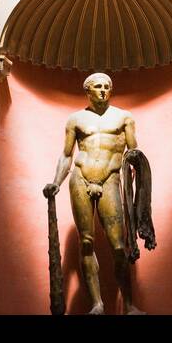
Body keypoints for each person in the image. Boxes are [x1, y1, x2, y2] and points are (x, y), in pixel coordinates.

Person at [43, 73, 144, 314]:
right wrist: (56, 181)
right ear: (87, 91)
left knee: (119, 246)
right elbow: (67, 155)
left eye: (107, 87)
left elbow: (133, 152)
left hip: (109, 178)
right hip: (80, 177)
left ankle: (129, 304)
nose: (102, 90)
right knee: (86, 242)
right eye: (97, 86)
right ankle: (97, 303)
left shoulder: (124, 117)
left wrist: (136, 173)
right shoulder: (75, 119)